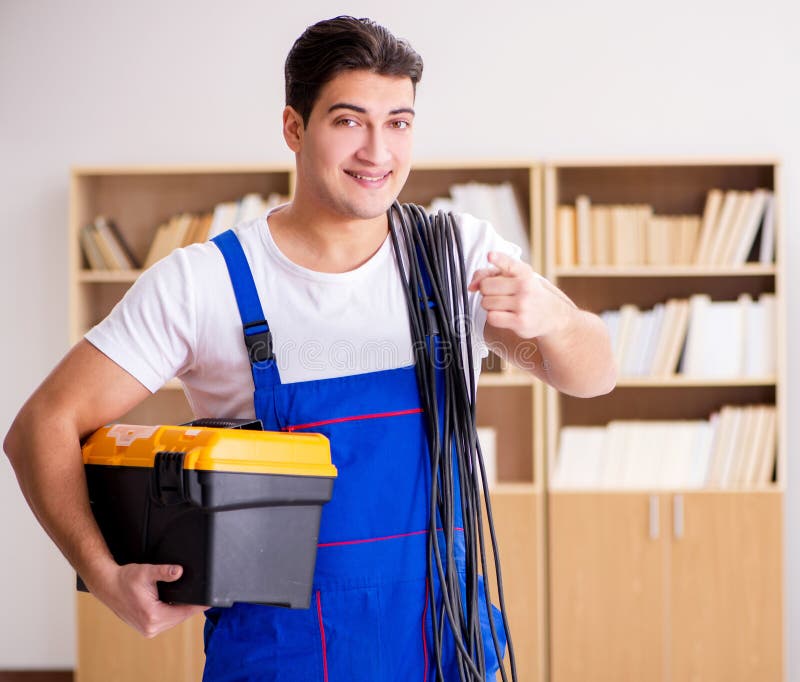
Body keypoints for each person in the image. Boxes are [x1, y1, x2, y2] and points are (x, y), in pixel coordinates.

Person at [4, 15, 615, 681]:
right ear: (294, 128)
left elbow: (592, 377)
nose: (377, 151)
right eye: (349, 121)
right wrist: (103, 575)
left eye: (399, 123)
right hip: (278, 658)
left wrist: (557, 320)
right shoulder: (205, 284)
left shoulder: (455, 258)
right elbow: (42, 425)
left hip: (445, 647)